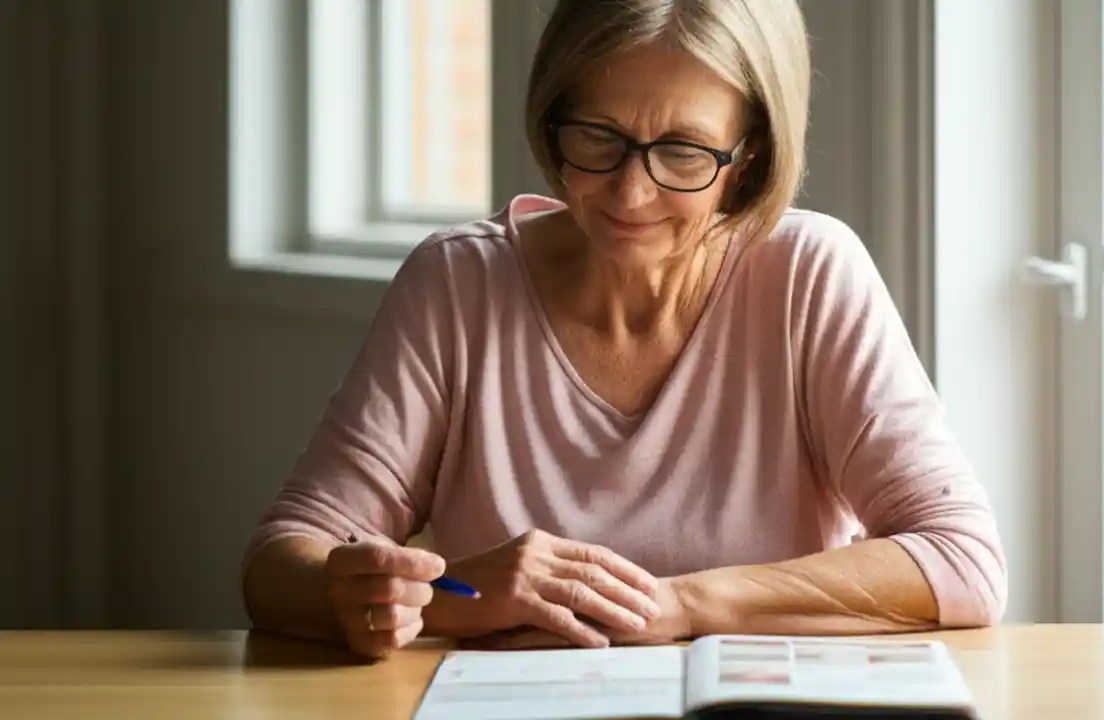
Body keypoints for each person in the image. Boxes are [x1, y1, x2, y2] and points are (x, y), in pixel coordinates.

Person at [242, 0, 1007, 660]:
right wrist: (435, 596)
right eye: (599, 139)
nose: (631, 193)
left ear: (748, 159)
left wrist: (678, 607)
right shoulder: (458, 284)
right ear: (553, 121)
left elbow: (962, 561)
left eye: (682, 151)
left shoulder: (810, 274)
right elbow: (281, 564)